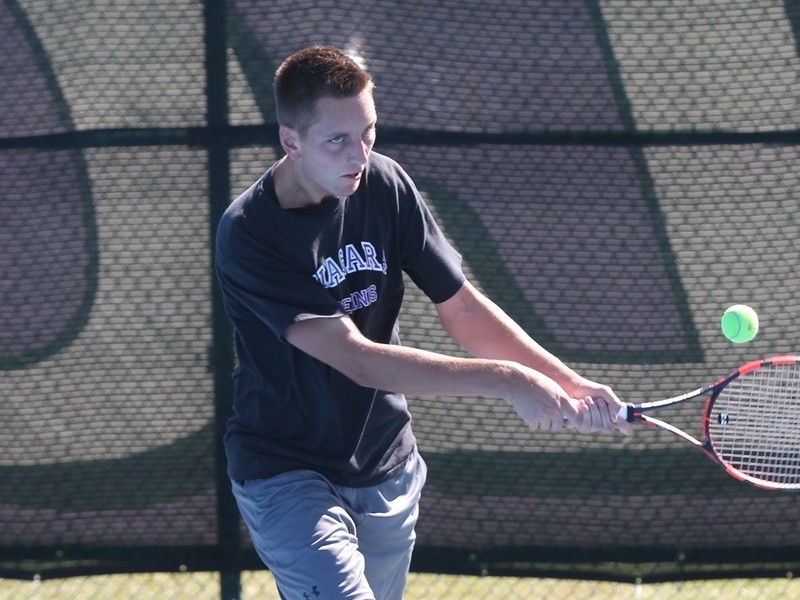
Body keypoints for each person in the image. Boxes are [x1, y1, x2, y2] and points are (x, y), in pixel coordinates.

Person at [214, 44, 631, 600]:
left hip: (386, 466)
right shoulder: (249, 233)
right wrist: (511, 381)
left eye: (368, 132)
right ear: (291, 141)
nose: (359, 154)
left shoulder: (385, 184)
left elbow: (462, 308)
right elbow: (358, 359)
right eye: (337, 140)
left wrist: (569, 383)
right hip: (286, 471)